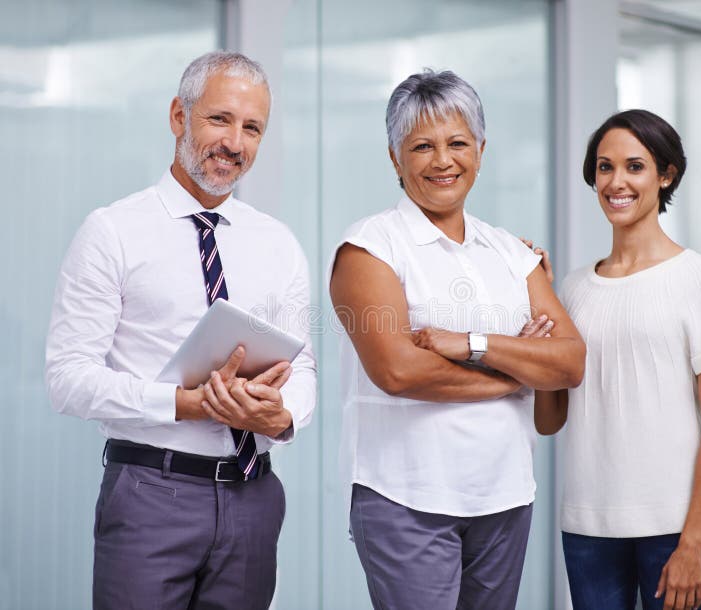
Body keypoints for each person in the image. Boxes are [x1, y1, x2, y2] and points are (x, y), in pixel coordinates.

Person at [45, 51, 316, 610]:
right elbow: (67, 379)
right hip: (152, 495)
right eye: (220, 119)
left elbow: (303, 365)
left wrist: (283, 415)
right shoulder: (112, 232)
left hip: (254, 498)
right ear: (178, 116)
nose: (234, 143)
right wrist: (181, 404)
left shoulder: (279, 243)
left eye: (252, 128)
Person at [328, 69, 585, 610]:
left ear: (481, 151)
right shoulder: (369, 248)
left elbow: (569, 362)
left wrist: (471, 344)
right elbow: (398, 370)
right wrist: (518, 373)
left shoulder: (512, 252)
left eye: (458, 143)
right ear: (396, 158)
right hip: (406, 499)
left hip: (505, 497)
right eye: (422, 146)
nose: (442, 160)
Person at [534, 109, 701, 610]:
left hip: (676, 526)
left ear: (666, 175)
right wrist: (539, 320)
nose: (616, 182)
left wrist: (692, 543)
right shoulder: (573, 288)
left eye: (635, 166)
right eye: (605, 167)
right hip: (588, 524)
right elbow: (549, 420)